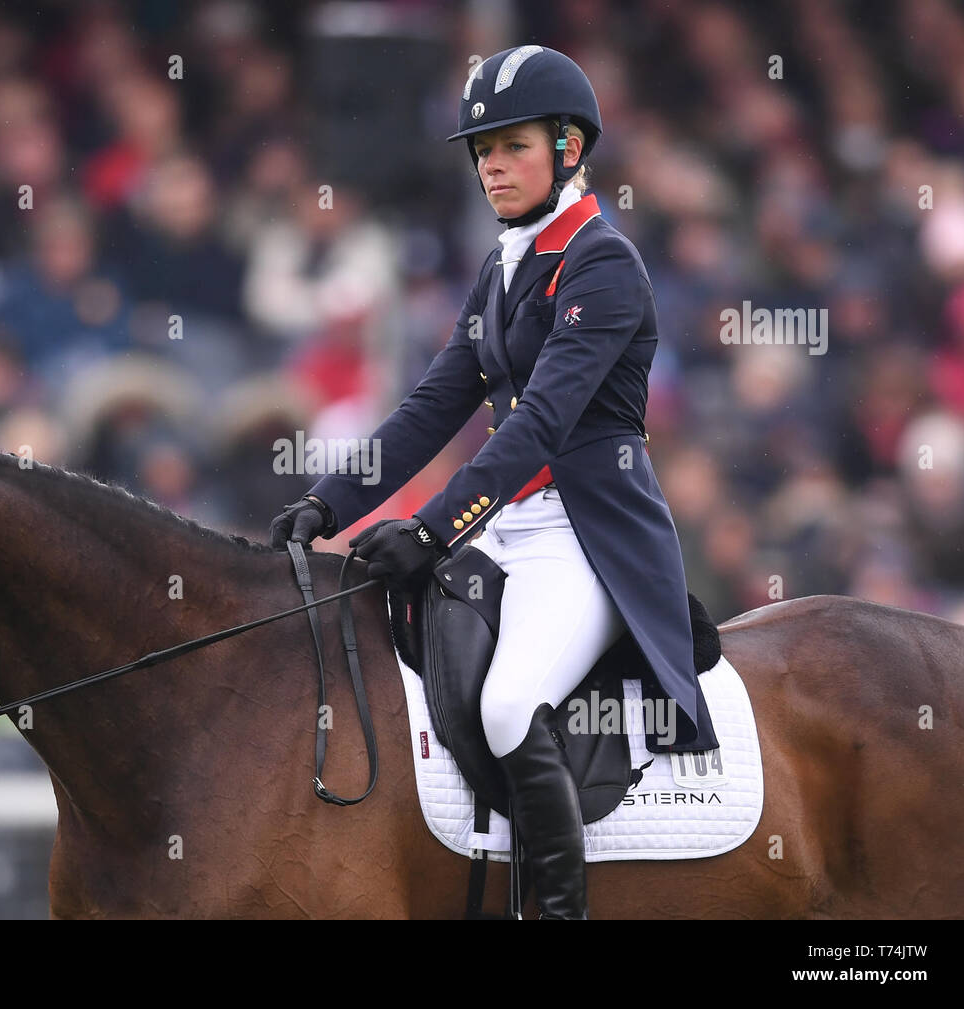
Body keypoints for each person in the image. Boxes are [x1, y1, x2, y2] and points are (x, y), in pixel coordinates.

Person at [270, 45, 715, 920]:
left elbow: (542, 422)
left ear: (568, 149)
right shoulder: (505, 264)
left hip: (589, 538)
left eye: (511, 146)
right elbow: (433, 406)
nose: (490, 165)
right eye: (481, 150)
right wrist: (330, 499)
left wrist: (433, 528)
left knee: (512, 704)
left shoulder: (603, 262)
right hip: (508, 528)